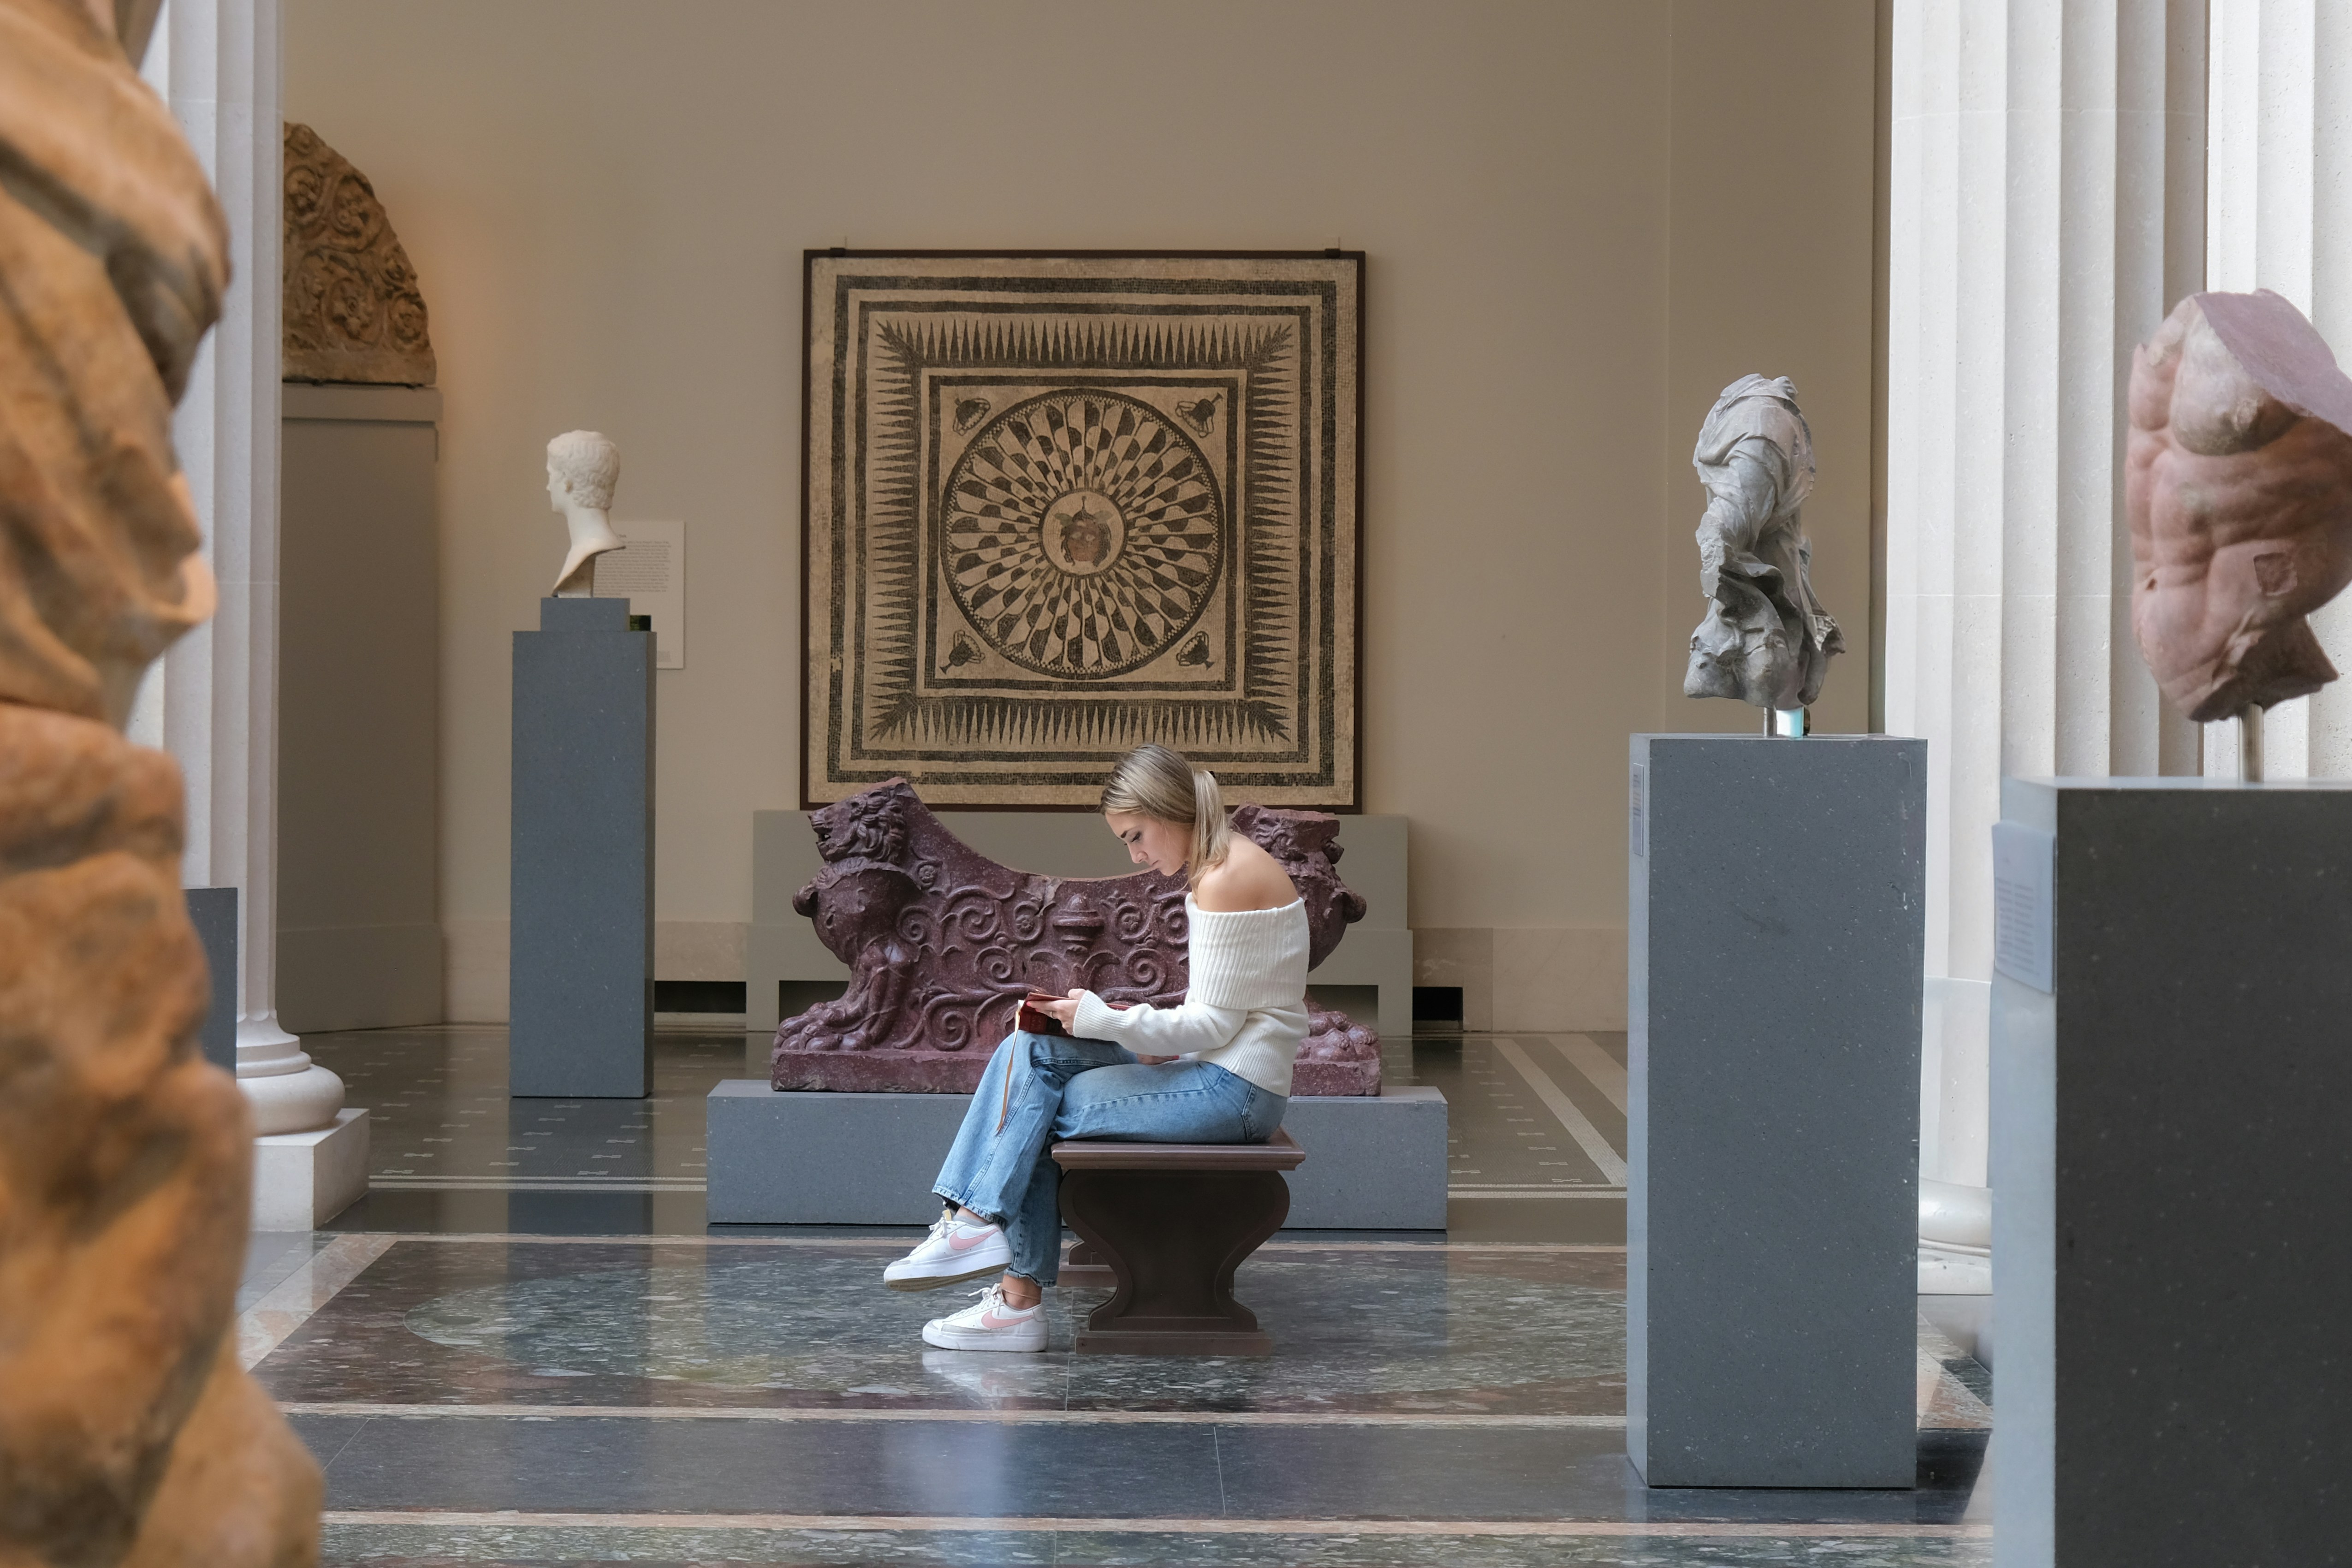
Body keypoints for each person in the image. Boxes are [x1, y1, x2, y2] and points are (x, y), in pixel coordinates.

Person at [881, 742, 1307, 1352]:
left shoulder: (1226, 877)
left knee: (1037, 1095)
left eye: (1136, 836)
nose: (1135, 854)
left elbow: (1213, 1028)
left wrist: (1105, 1020)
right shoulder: (1224, 864)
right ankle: (975, 1234)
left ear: (1169, 811)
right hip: (1213, 1070)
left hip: (1234, 1093)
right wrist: (1128, 1024)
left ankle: (1003, 1281)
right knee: (1027, 1050)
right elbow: (1226, 1009)